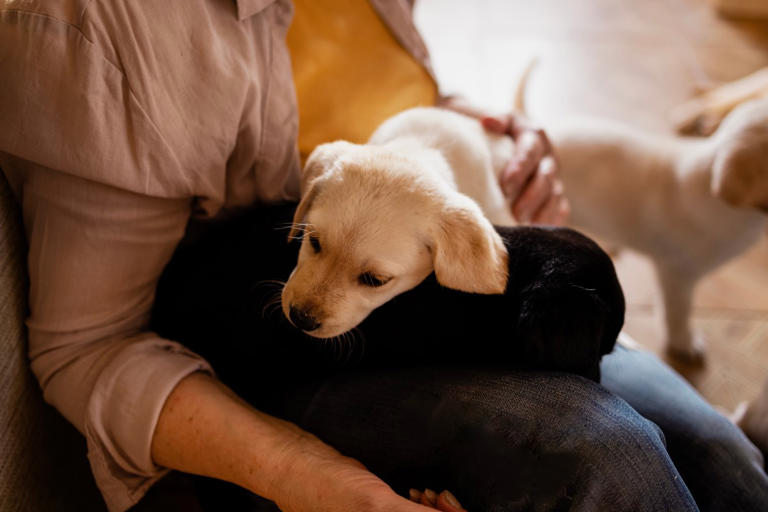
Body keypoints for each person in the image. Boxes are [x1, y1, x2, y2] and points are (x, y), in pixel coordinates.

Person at [0, 1, 765, 511]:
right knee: (615, 459)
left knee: (719, 456)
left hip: (454, 269)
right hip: (282, 353)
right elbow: (87, 348)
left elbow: (376, 90)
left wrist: (485, 136)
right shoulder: (103, 30)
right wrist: (311, 480)